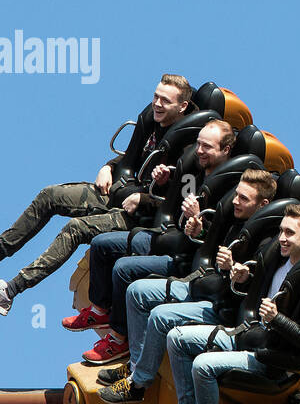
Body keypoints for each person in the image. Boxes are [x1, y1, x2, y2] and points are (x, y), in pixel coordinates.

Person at [0, 74, 194, 315]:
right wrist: (108, 166)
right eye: (155, 97)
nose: (157, 104)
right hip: (118, 191)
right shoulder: (153, 122)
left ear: (182, 106)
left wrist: (146, 198)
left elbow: (182, 205)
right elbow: (133, 156)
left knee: (75, 229)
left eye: (165, 101)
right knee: (49, 195)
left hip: (139, 216)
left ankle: (8, 292)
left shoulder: (190, 147)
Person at [159, 204, 300, 404]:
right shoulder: (278, 261)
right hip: (249, 335)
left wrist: (278, 320)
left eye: (290, 233)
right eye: (281, 230)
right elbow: (257, 300)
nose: (282, 238)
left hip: (272, 359)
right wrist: (244, 277)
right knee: (176, 337)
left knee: (203, 365)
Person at [65, 118, 236, 364]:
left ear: (226, 150)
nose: (200, 151)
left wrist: (198, 221)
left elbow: (217, 238)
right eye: (198, 144)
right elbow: (168, 205)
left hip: (188, 256)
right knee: (102, 244)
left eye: (207, 147)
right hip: (168, 236)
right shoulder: (193, 169)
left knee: (124, 269)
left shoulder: (229, 190)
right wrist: (164, 184)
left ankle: (118, 339)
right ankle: (99, 311)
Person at [96, 169, 275, 403]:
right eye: (236, 195)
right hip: (204, 285)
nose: (235, 201)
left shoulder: (268, 242)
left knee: (161, 316)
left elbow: (258, 291)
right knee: (136, 291)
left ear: (263, 204)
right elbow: (213, 244)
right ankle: (136, 367)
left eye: (244, 198)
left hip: (223, 307)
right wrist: (201, 230)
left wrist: (239, 273)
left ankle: (138, 385)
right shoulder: (235, 218)